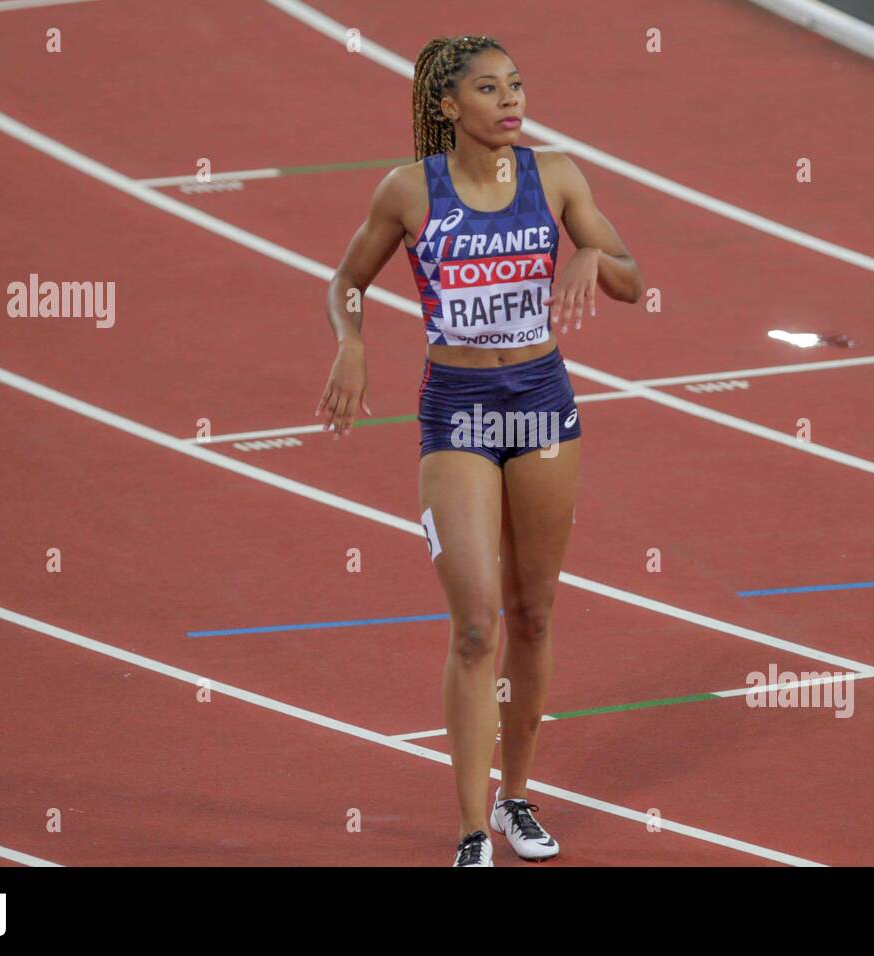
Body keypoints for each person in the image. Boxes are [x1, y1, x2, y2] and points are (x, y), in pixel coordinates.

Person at [317, 34, 643, 866]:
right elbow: (346, 280)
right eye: (490, 90)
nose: (511, 102)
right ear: (446, 106)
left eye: (517, 87)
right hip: (456, 411)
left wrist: (594, 255)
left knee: (532, 615)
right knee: (474, 625)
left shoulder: (556, 173)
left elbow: (635, 276)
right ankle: (469, 831)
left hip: (539, 404)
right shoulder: (407, 191)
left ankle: (516, 799)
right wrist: (351, 344)